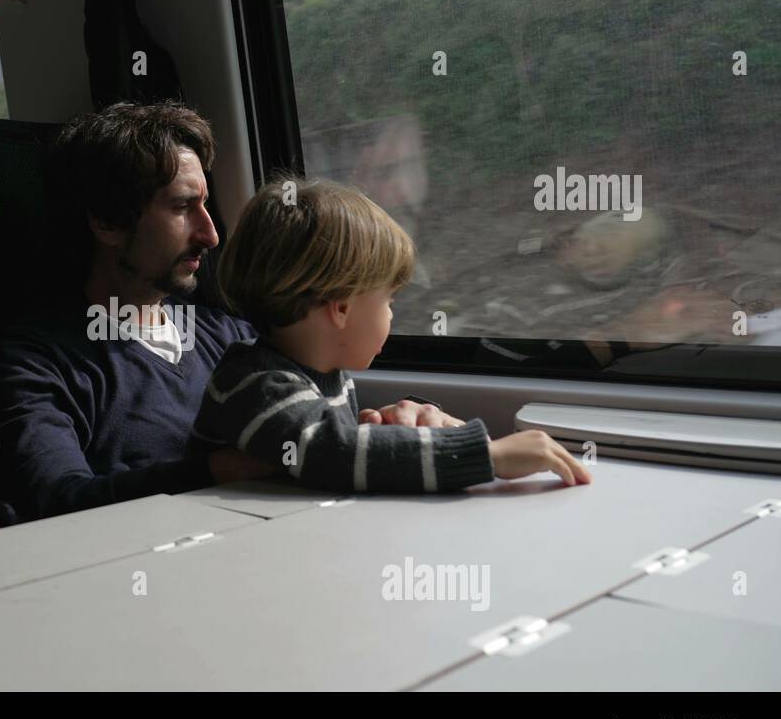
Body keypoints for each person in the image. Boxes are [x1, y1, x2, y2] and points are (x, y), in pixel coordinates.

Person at [0, 103, 494, 521]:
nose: (211, 234)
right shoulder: (38, 360)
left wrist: (399, 415)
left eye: (207, 206)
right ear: (106, 221)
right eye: (183, 207)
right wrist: (220, 469)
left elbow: (316, 417)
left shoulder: (232, 335)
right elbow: (55, 502)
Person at [191, 176, 594, 492]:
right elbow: (333, 455)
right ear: (342, 307)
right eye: (388, 300)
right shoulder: (259, 385)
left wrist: (384, 428)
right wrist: (485, 454)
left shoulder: (321, 375)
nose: (392, 313)